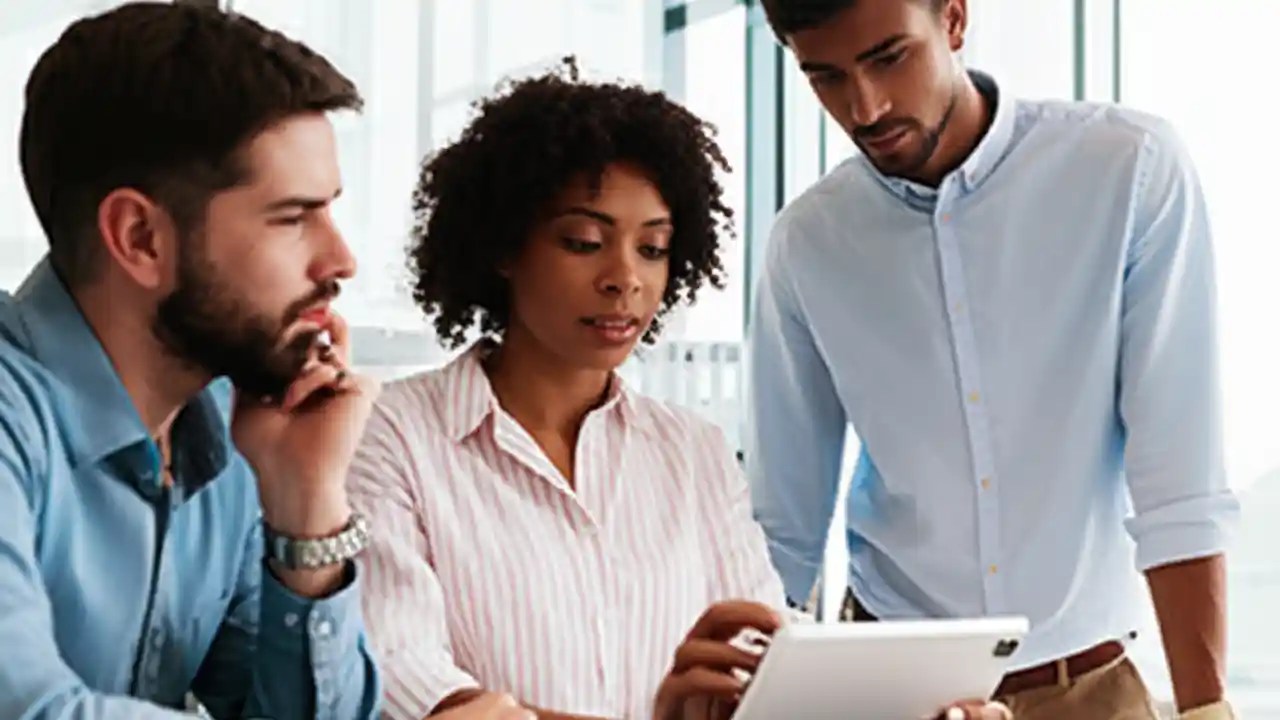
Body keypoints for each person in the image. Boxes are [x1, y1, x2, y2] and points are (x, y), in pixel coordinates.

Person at [346, 60, 1009, 720]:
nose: (624, 279)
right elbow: (408, 684)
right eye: (583, 242)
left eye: (653, 249)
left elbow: (769, 669)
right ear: (503, 247)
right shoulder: (395, 435)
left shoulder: (692, 450)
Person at [0, 4, 524, 720]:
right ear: (140, 237)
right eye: (292, 218)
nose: (340, 261)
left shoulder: (225, 426)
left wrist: (306, 508)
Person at [745, 1, 1240, 719]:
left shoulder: (1127, 170)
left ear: (952, 18)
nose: (865, 106)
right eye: (825, 76)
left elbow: (1179, 480)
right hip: (889, 691)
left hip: (1088, 691)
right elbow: (783, 526)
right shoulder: (807, 243)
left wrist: (1204, 709)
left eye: (889, 57)